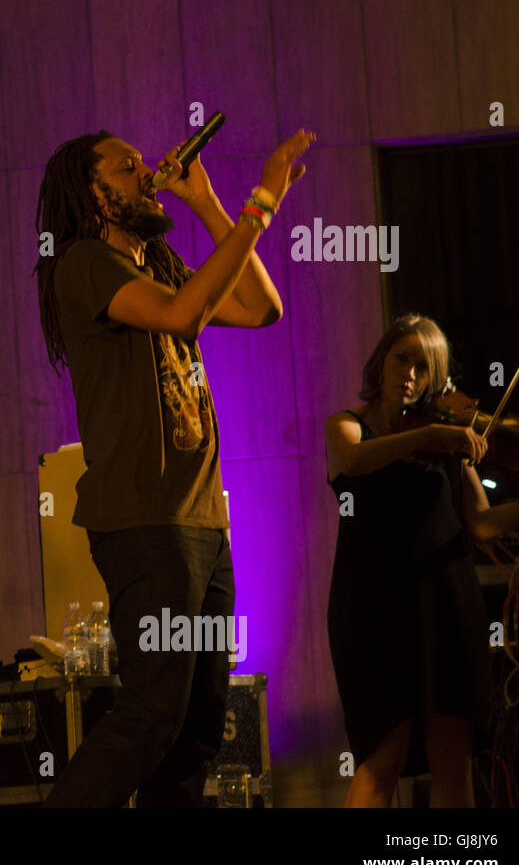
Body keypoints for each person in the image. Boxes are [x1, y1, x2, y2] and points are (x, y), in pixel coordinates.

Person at [36, 127, 315, 807]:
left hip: (202, 521)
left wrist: (211, 200)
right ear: (92, 192)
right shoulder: (84, 262)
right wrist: (261, 205)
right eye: (126, 167)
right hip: (144, 521)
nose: (147, 172)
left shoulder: (155, 261)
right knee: (153, 712)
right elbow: (182, 315)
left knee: (195, 727)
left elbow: (259, 307)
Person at [325, 314, 519, 807]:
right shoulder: (347, 425)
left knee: (455, 758)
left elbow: (483, 524)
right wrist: (432, 440)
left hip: (448, 603)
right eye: (402, 358)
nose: (410, 373)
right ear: (382, 362)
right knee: (380, 761)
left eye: (424, 367)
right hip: (371, 610)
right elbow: (356, 460)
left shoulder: (448, 437)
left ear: (435, 379)